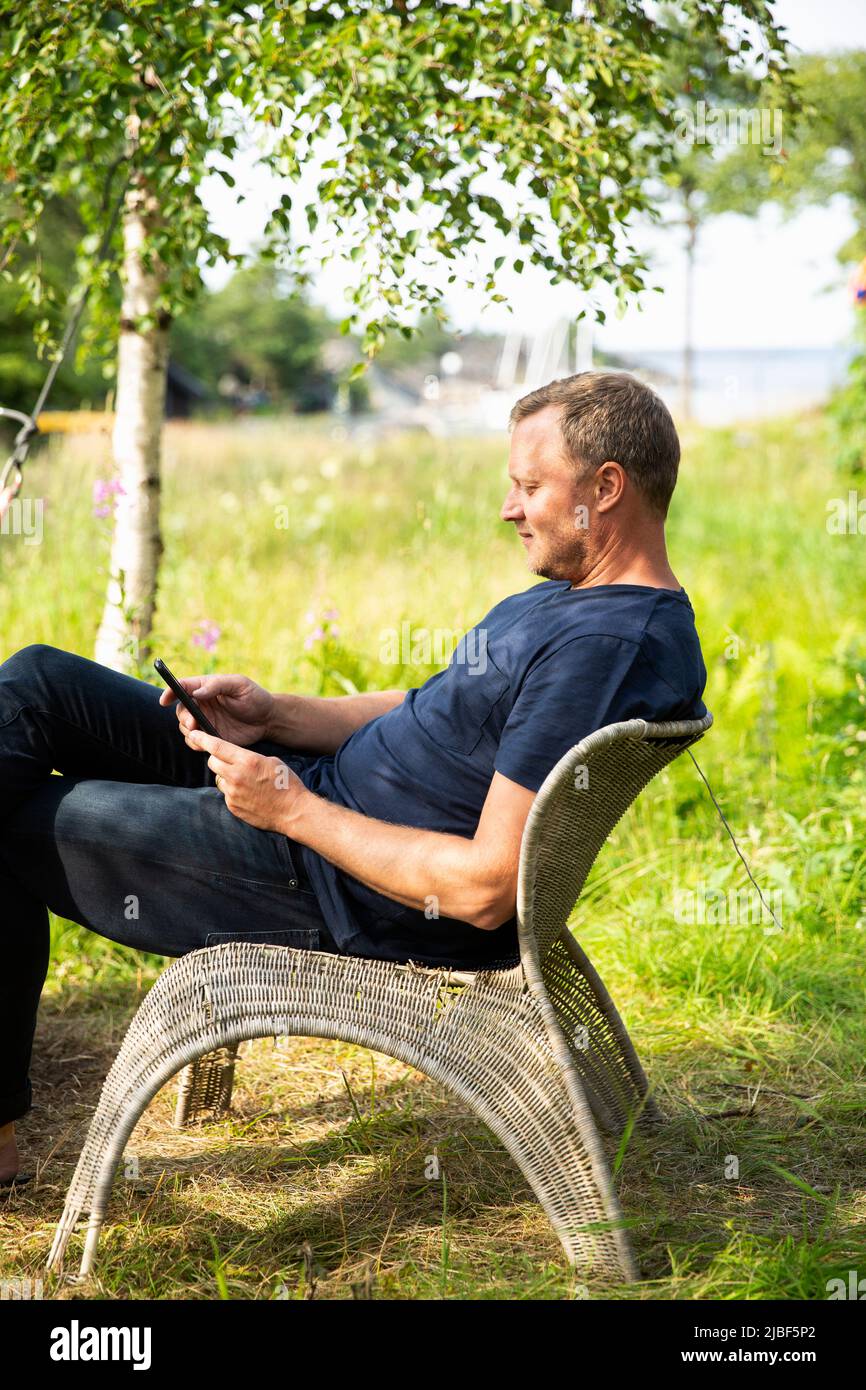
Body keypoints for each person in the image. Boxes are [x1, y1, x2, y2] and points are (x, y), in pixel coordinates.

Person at [0, 370, 708, 1183]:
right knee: (39, 682)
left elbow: (484, 888)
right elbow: (429, 708)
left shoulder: (604, 650)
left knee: (13, 815)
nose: (509, 509)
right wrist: (277, 716)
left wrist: (289, 810)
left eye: (530, 486)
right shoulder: (577, 599)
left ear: (607, 487)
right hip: (311, 797)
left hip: (327, 880)